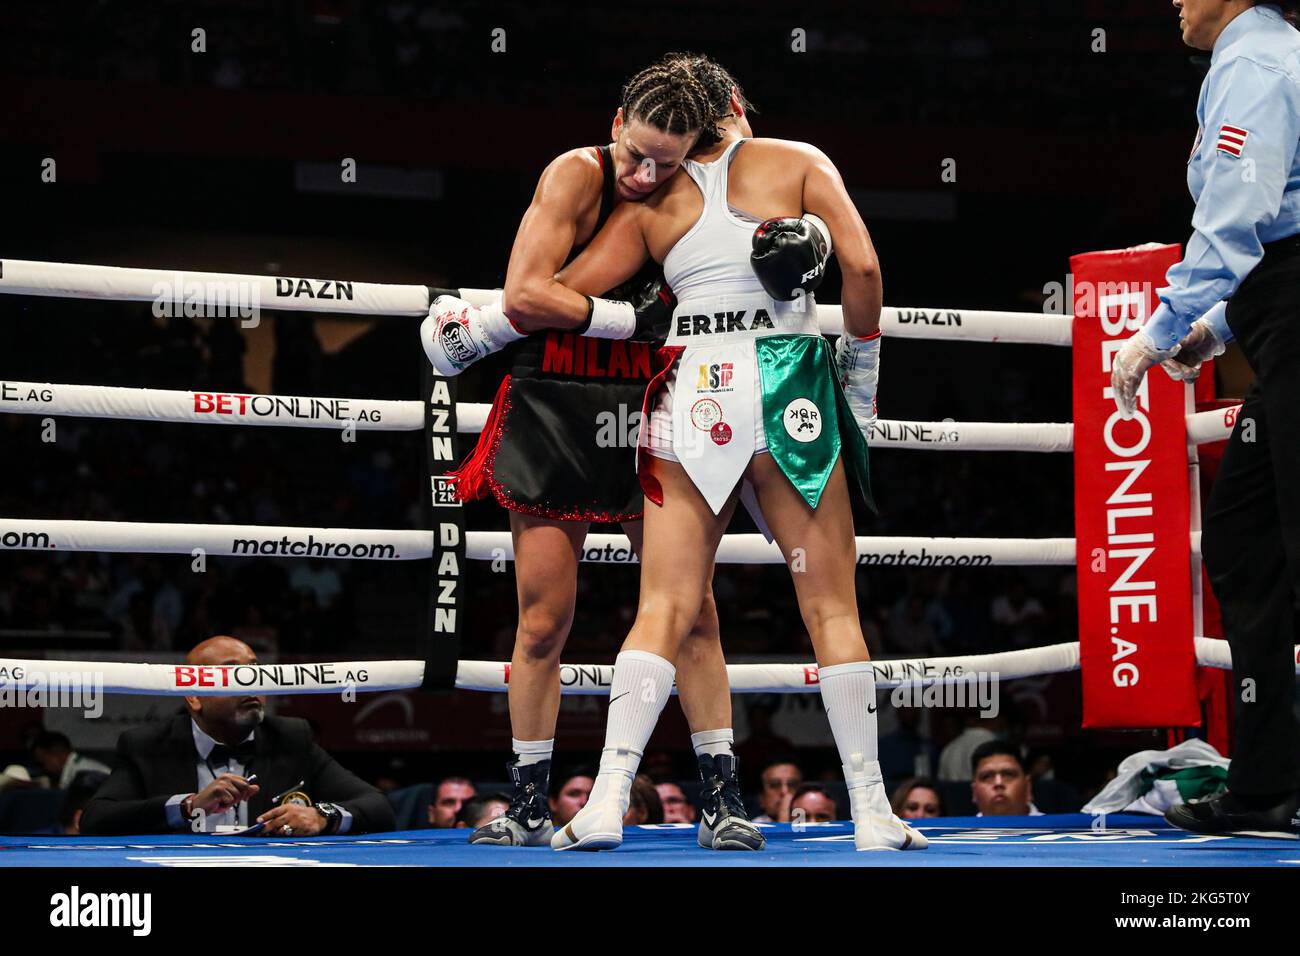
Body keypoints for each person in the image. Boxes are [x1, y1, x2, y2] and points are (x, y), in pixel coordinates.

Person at [534, 93, 925, 852]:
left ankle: (608, 799)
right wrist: (862, 371)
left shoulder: (651, 199)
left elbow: (566, 290)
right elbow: (865, 267)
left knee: (665, 607)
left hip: (693, 386)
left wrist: (634, 312)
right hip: (788, 382)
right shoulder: (799, 159)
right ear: (736, 107)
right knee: (832, 611)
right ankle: (873, 813)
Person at [423, 54, 763, 851]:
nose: (646, 173)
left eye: (665, 160)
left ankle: (723, 798)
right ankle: (531, 803)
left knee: (694, 613)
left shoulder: (703, 180)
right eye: (636, 152)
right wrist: (623, 317)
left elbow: (752, 157)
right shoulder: (575, 174)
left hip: (653, 401)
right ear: (615, 125)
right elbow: (524, 295)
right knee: (543, 620)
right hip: (555, 403)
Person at [1110, 0, 1300, 835]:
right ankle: (1267, 783)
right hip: (1277, 319)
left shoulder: (1256, 63)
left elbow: (1238, 212)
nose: (1174, 1)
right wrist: (1212, 327)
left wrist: (1155, 332)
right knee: (1246, 541)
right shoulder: (1261, 59)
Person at [79, 636, 394, 836]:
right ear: (195, 697)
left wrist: (323, 816)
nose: (251, 681)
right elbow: (96, 819)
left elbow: (377, 807)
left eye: (255, 671)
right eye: (233, 672)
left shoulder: (290, 738)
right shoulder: (148, 745)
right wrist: (188, 806)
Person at [970, 741, 1043, 817]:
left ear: (1028, 786)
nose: (998, 783)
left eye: (1008, 775)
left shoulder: (1053, 828)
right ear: (974, 791)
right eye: (987, 777)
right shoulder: (961, 828)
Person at [30, 731, 110, 789]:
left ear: (57, 754)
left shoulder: (82, 772)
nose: (44, 768)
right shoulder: (74, 766)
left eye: (43, 762)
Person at [753, 758, 803, 823]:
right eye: (775, 785)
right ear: (761, 798)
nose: (784, 791)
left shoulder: (814, 821)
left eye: (792, 785)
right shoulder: (753, 829)